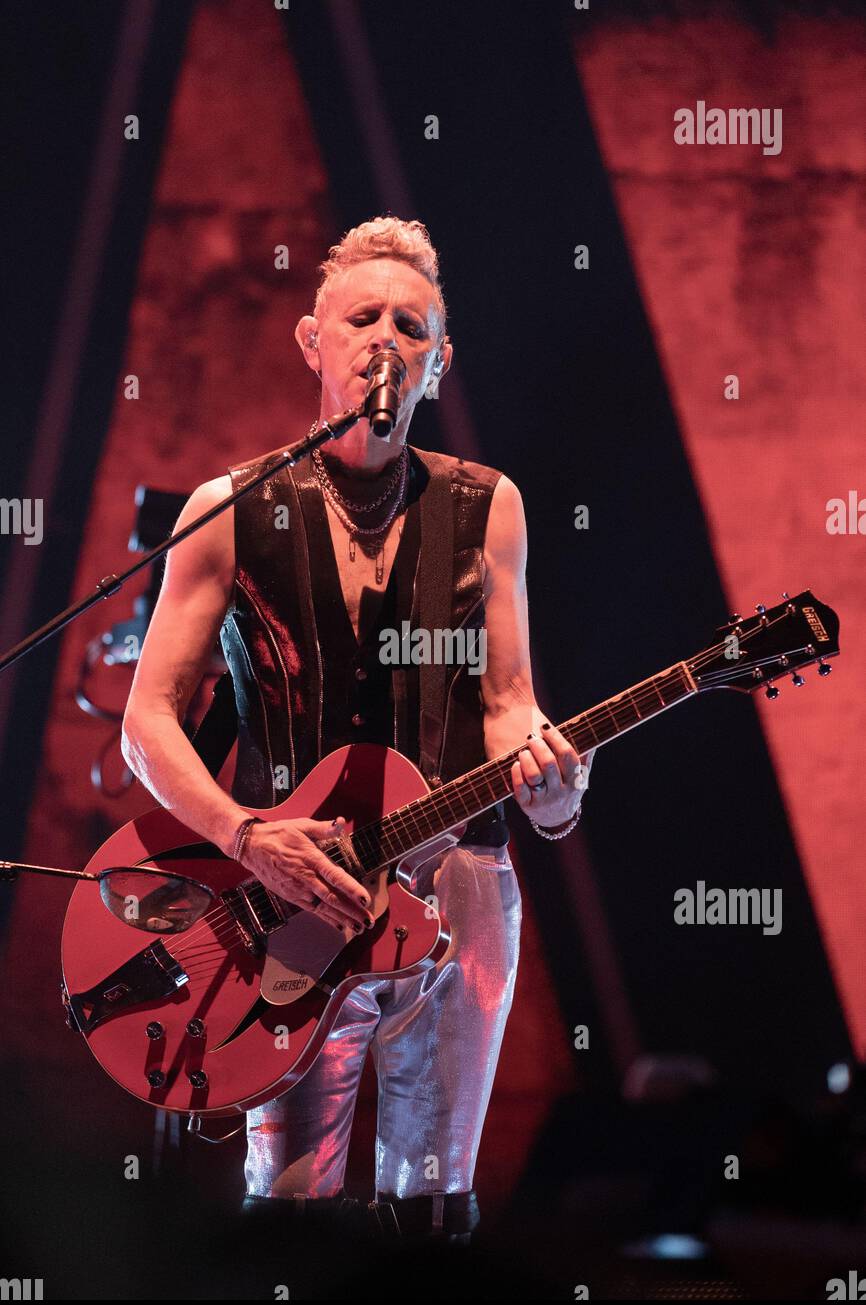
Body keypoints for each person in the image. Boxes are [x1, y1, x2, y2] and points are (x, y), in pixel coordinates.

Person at [121, 215, 593, 1244]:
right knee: (287, 1201)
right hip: (291, 888)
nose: (387, 339)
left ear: (439, 358)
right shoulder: (230, 507)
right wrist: (246, 835)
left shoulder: (487, 505)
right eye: (363, 317)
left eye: (411, 326)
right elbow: (145, 720)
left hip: (459, 879)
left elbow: (510, 704)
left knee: (432, 1202)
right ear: (313, 341)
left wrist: (554, 788)